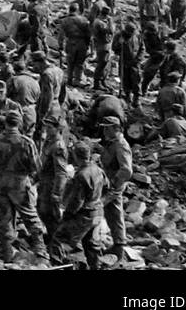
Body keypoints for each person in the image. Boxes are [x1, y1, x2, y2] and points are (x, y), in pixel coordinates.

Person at [0, 108, 47, 262]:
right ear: (19, 123)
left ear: (5, 123)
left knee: (4, 219)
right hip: (19, 183)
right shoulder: (26, 142)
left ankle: (6, 253)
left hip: (0, 182)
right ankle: (41, 252)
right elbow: (37, 168)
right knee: (30, 216)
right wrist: (33, 183)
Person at [51, 141, 105, 269]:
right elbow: (107, 187)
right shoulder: (98, 170)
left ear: (75, 156)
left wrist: (67, 215)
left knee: (59, 239)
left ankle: (57, 265)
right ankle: (95, 267)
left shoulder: (82, 175)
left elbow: (77, 201)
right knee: (91, 244)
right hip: (98, 212)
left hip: (85, 214)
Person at [99, 115, 133, 258]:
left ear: (116, 128)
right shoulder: (112, 142)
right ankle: (119, 244)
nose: (104, 131)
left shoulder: (120, 144)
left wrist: (113, 183)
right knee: (112, 212)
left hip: (114, 184)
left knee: (96, 207)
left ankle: (118, 245)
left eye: (107, 128)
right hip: (109, 181)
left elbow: (126, 170)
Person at [37, 116, 70, 244]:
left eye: (50, 127)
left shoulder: (58, 146)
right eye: (46, 127)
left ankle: (56, 242)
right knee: (42, 211)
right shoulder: (49, 141)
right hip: (44, 182)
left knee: (51, 214)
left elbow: (61, 172)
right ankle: (52, 238)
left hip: (51, 184)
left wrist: (57, 192)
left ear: (57, 129)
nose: (47, 129)